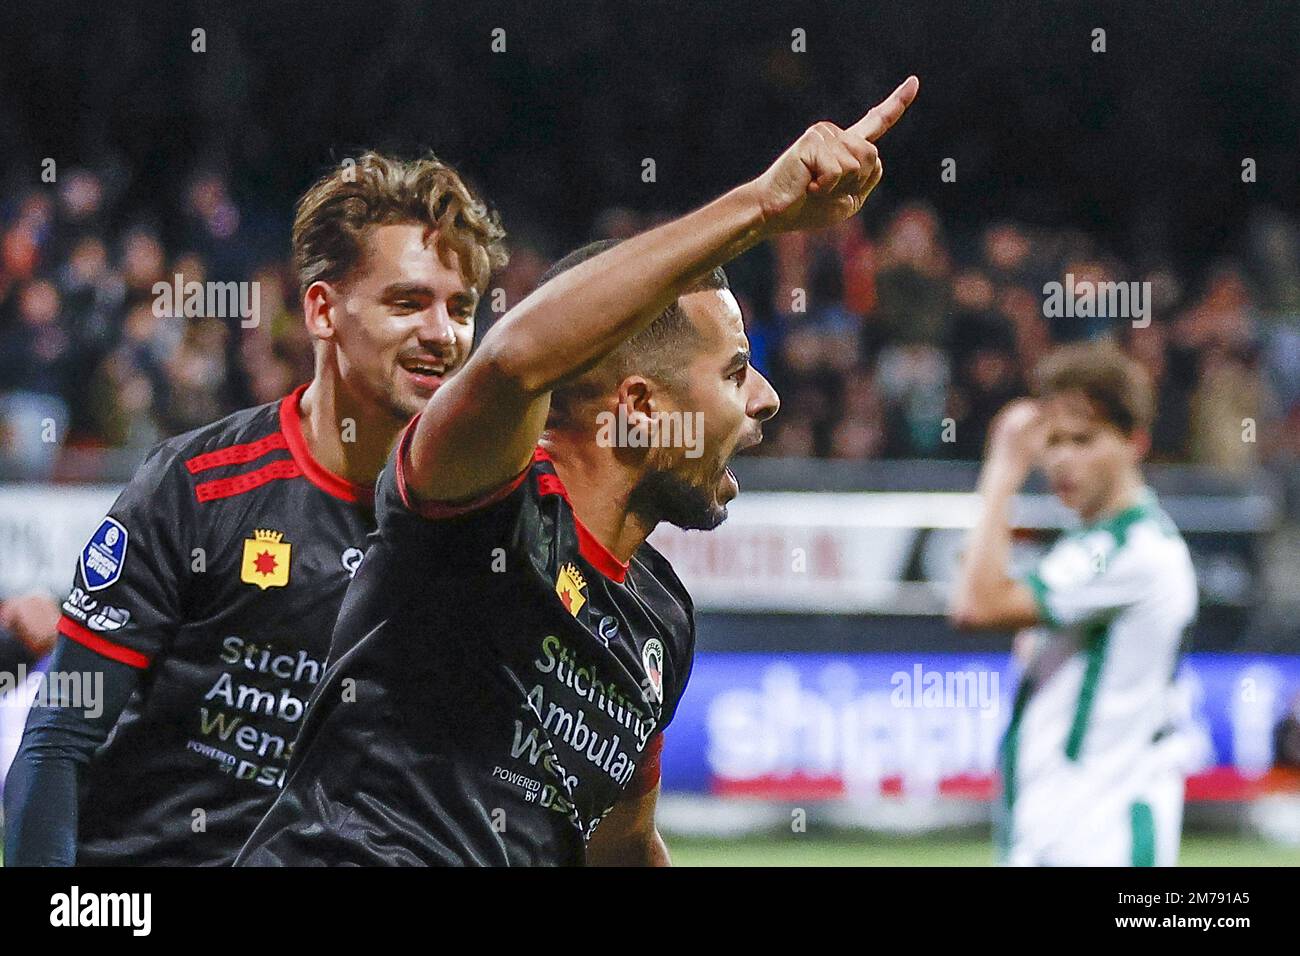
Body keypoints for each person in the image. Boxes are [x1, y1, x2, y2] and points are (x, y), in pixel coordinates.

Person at [236, 76, 920, 866]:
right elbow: (513, 363)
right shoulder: (485, 503)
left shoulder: (659, 616)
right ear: (637, 406)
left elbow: (622, 846)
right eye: (735, 372)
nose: (766, 400)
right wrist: (760, 210)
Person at [3, 152, 506, 865]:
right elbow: (59, 739)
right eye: (408, 302)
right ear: (323, 310)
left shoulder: (478, 530)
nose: (444, 333)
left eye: (460, 309)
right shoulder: (197, 487)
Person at [949, 340, 1198, 866]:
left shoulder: (1134, 549)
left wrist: (1003, 470)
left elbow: (976, 604)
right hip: (1059, 828)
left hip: (1099, 838)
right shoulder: (1095, 547)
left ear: (1135, 441)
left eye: (1083, 440)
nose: (1062, 459)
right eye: (1053, 441)